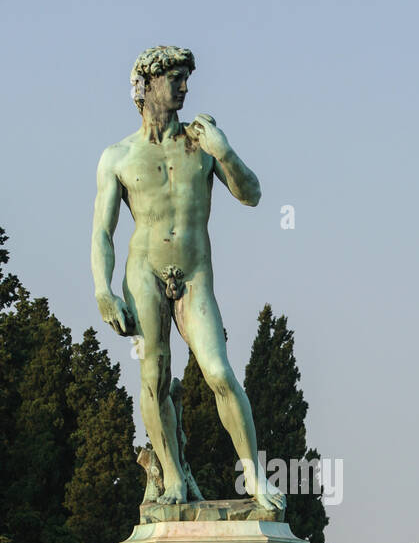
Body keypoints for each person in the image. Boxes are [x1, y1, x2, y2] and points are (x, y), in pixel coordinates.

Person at [90, 44, 283, 513]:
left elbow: (252, 194)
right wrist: (103, 290)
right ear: (146, 85)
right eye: (174, 78)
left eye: (185, 77)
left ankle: (254, 478)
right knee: (154, 376)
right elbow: (102, 232)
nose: (184, 86)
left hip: (195, 275)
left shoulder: (202, 143)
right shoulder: (118, 156)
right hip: (144, 271)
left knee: (218, 372)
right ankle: (173, 476)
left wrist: (225, 151)